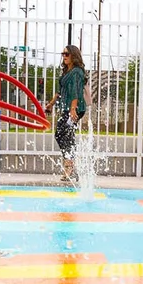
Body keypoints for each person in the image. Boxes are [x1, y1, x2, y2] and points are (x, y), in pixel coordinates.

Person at [46, 45, 87, 189]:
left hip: (76, 108)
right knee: (61, 134)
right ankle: (70, 165)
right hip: (67, 108)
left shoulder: (76, 72)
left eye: (67, 54)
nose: (64, 56)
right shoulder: (66, 72)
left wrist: (73, 109)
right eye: (63, 53)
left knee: (65, 134)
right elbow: (60, 92)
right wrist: (50, 105)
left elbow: (75, 90)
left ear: (74, 55)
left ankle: (70, 166)